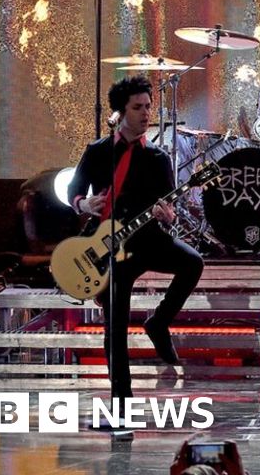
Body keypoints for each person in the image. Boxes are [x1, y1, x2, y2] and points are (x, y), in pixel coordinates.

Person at [68, 75, 204, 402]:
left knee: (193, 263)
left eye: (148, 107)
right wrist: (82, 204)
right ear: (121, 112)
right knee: (115, 324)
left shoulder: (157, 157)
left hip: (147, 239)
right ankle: (121, 398)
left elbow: (168, 206)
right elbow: (74, 191)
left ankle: (158, 322)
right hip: (109, 246)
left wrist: (167, 215)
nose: (145, 113)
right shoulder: (98, 151)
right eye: (138, 107)